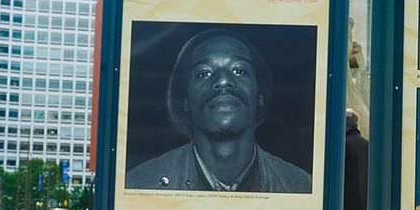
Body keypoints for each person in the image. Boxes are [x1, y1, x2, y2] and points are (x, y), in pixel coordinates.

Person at [126, 28, 312, 193]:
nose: (223, 81)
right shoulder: (141, 184)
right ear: (186, 101)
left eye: (239, 70)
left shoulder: (300, 186)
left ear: (260, 96)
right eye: (204, 73)